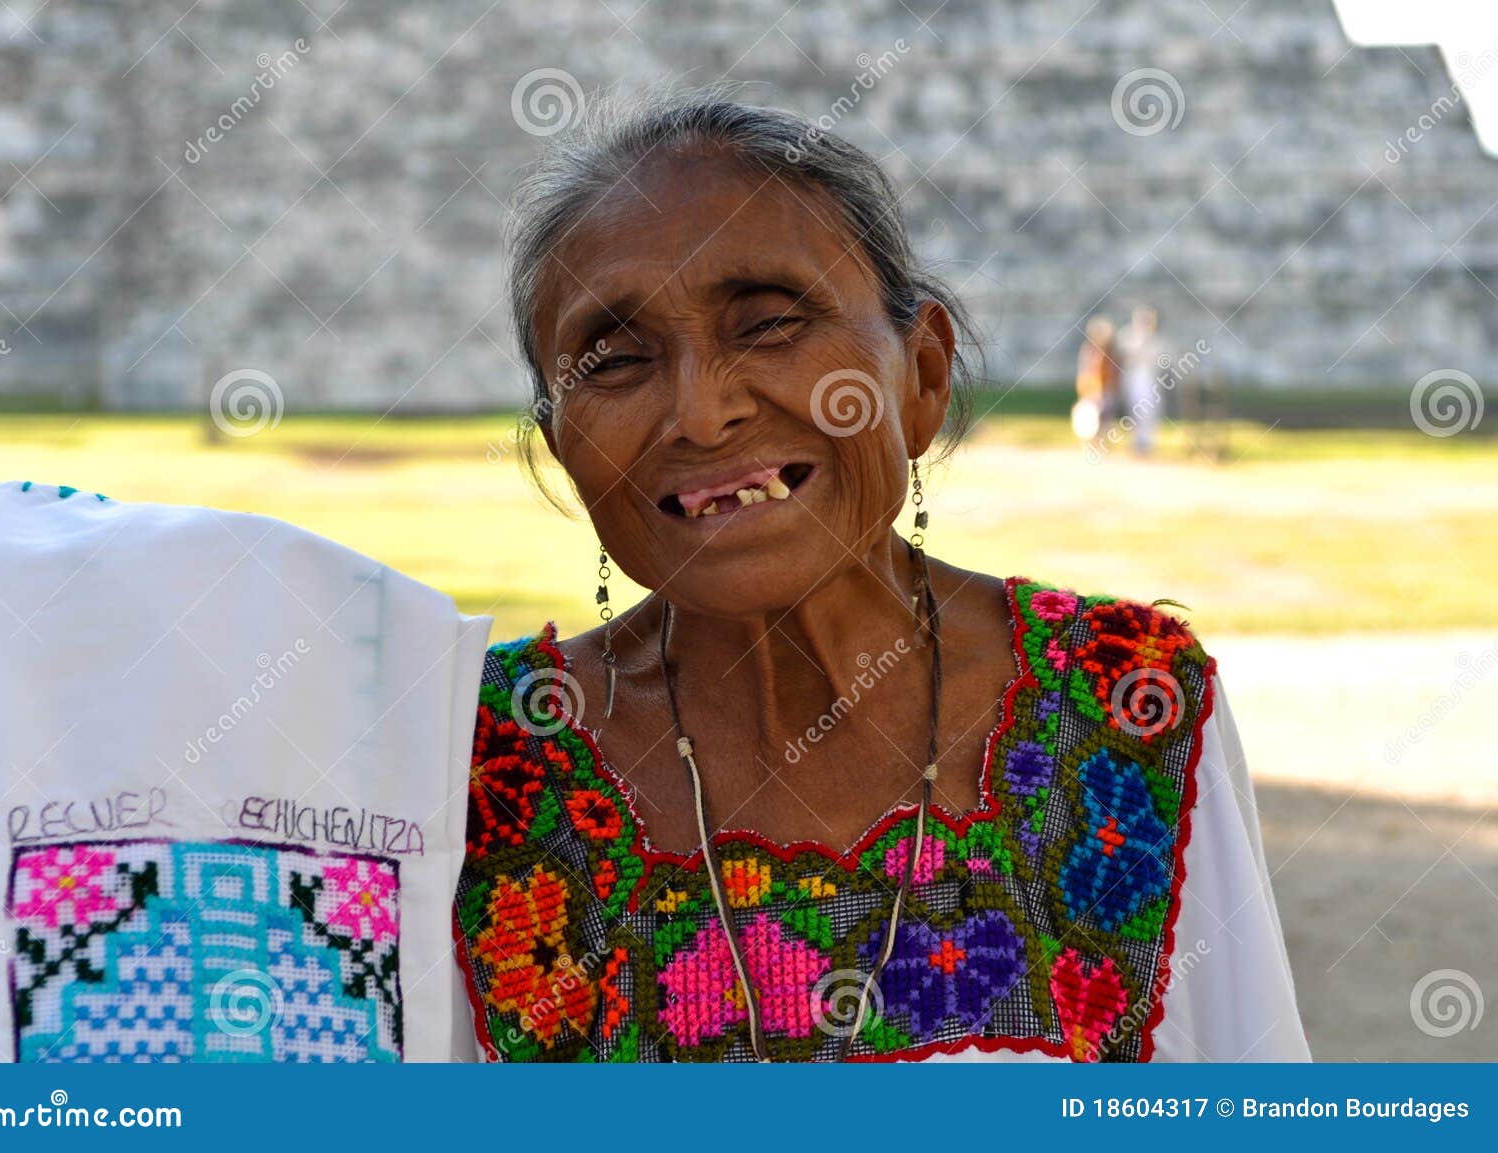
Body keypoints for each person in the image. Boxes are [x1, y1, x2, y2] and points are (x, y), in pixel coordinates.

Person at [451, 83, 1308, 1063]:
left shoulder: (1124, 707)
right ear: (562, 448)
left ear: (923, 376)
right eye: (611, 358)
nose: (698, 412)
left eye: (769, 322)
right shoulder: (477, 763)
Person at [1116, 305, 1162, 455]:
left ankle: (1146, 442)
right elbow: (1122, 356)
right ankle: (1136, 442)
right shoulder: (1127, 336)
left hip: (1149, 379)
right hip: (1132, 377)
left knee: (1149, 411)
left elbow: (1159, 359)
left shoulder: (1155, 340)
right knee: (1134, 409)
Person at [1073, 315, 1119, 444]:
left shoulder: (1111, 352)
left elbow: (1112, 373)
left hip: (1107, 390)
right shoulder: (1089, 349)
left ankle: (1103, 442)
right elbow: (1086, 371)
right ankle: (1092, 443)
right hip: (1093, 390)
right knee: (1091, 419)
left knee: (1106, 418)